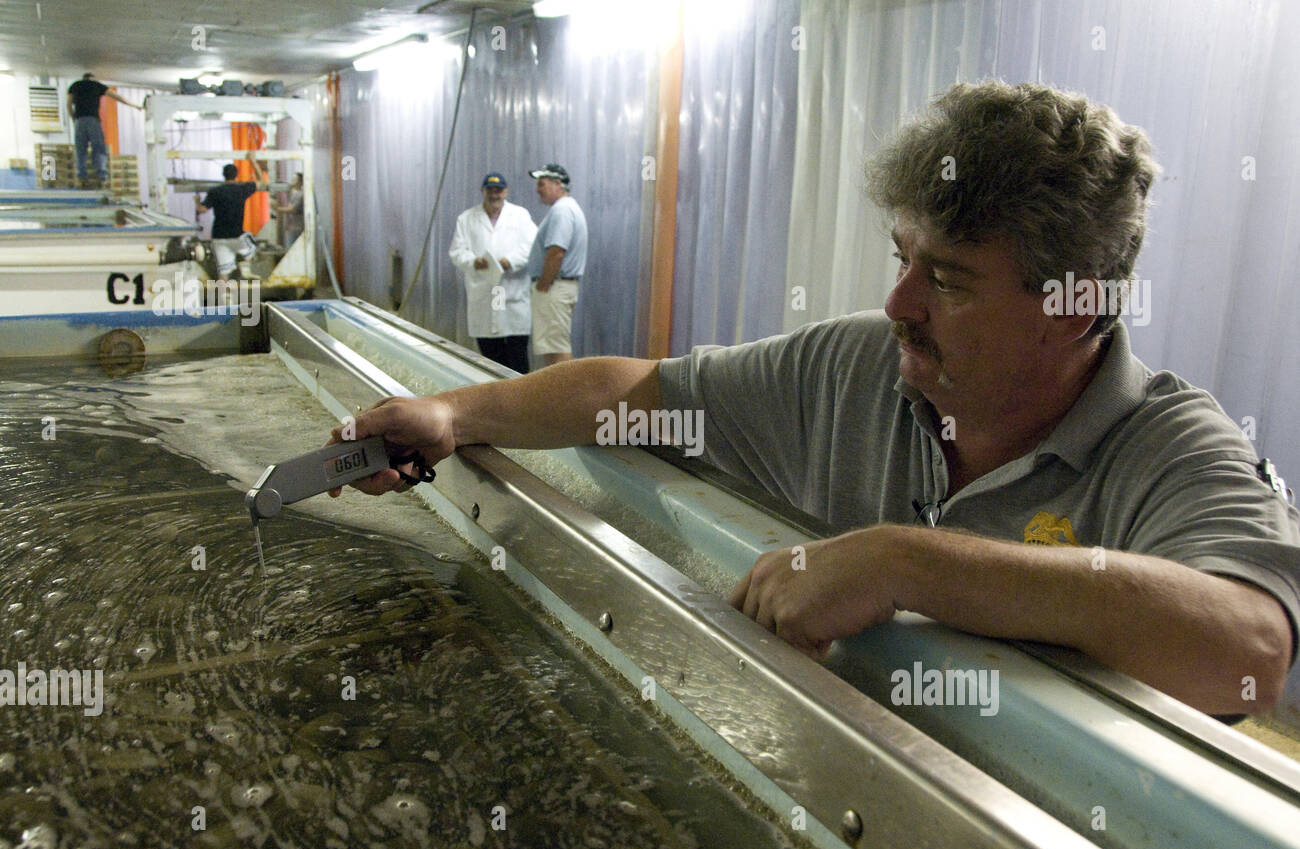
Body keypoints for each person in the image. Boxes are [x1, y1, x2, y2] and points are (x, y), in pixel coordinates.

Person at [326, 81, 1299, 717]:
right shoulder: (852, 367)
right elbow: (643, 391)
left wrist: (906, 560)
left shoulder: (1171, 450)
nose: (897, 304)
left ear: (1072, 307)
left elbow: (1247, 648)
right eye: (900, 257)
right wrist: (457, 414)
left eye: (949, 280)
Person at [448, 172, 538, 374]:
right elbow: (457, 251)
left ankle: (522, 404)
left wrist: (509, 261)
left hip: (511, 292)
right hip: (484, 294)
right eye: (490, 190)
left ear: (506, 192)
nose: (494, 195)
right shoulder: (467, 218)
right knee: (490, 360)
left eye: (498, 190)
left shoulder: (520, 216)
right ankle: (496, 404)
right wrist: (473, 261)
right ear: (483, 191)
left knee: (517, 359)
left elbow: (532, 247)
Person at [526, 163, 587, 366]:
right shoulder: (567, 208)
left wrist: (544, 283)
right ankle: (560, 395)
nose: (538, 189)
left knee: (556, 349)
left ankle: (564, 396)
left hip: (553, 287)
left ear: (558, 184)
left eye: (541, 184)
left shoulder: (562, 210)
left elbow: (557, 252)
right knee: (553, 346)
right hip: (557, 286)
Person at [195, 153, 269, 279]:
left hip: (219, 237)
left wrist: (197, 200)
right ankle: (245, 268)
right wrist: (252, 161)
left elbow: (201, 209)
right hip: (237, 235)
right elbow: (261, 180)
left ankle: (224, 297)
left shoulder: (215, 191)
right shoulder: (242, 189)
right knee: (250, 244)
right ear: (237, 175)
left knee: (223, 271)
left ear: (223, 175)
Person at [66, 73, 142, 187]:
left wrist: (73, 119)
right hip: (93, 120)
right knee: (99, 148)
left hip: (79, 120)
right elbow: (117, 97)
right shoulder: (97, 85)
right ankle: (101, 176)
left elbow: (68, 104)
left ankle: (82, 177)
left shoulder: (74, 85)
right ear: (93, 78)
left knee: (80, 149)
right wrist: (134, 105)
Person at [275, 172, 305, 249]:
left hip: (297, 228)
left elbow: (292, 209)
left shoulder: (301, 194)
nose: (292, 181)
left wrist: (276, 208)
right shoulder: (293, 193)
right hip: (290, 227)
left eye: (294, 179)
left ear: (300, 181)